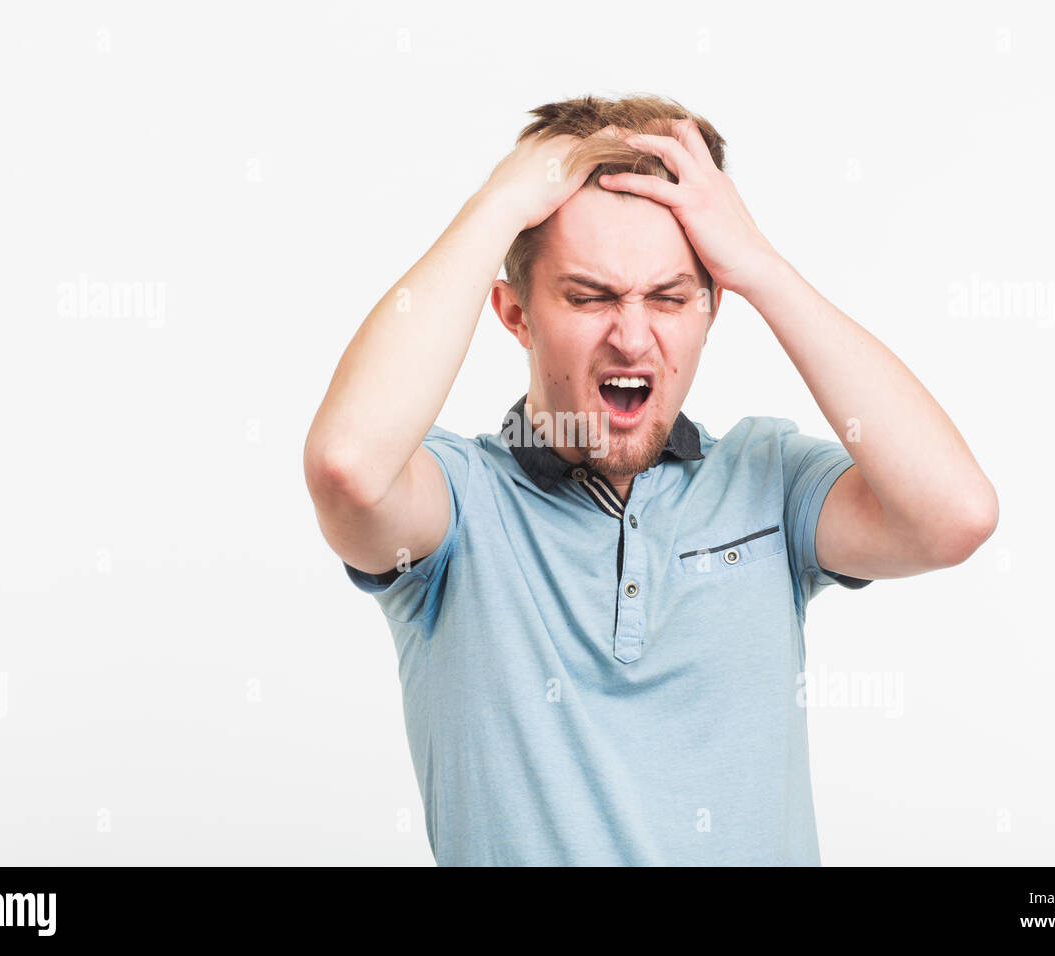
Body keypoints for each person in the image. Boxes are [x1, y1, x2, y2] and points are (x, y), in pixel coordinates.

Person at [303, 94, 998, 865]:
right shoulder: (458, 506)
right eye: (588, 296)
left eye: (669, 299)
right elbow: (349, 469)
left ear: (711, 310)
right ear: (514, 314)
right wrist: (498, 204)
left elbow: (955, 515)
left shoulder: (766, 481)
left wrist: (762, 267)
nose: (632, 338)